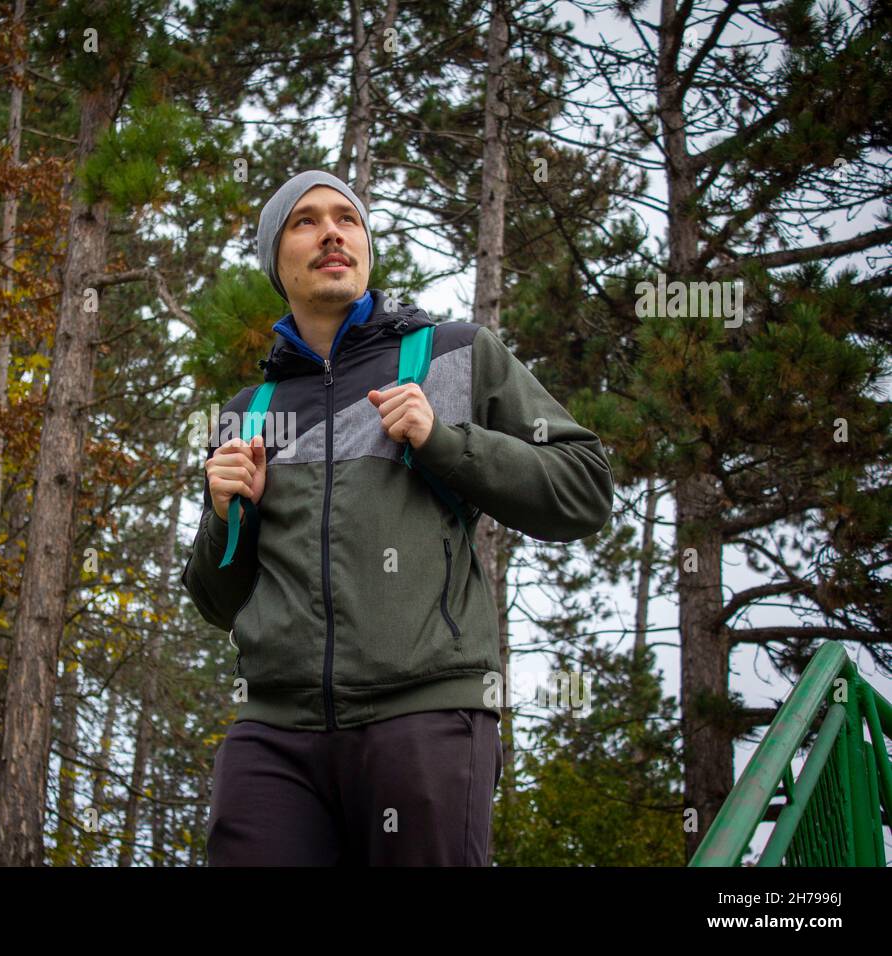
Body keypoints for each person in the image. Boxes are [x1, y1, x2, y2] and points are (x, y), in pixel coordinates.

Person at [180, 169, 614, 865]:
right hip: (274, 735)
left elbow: (584, 488)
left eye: (346, 218)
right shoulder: (247, 412)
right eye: (305, 221)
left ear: (366, 246)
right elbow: (217, 600)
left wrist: (444, 441)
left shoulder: (455, 356)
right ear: (275, 262)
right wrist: (229, 516)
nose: (331, 232)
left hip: (424, 718)